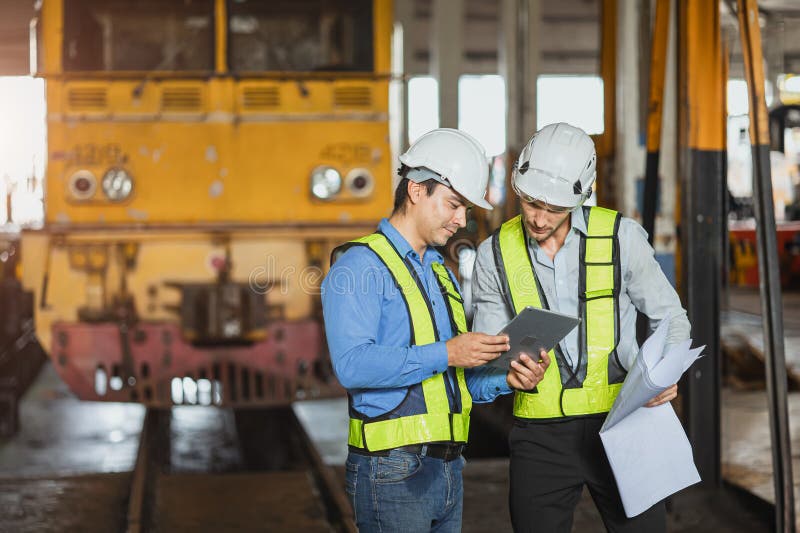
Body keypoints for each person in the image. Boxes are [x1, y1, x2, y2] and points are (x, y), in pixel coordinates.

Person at [321, 128, 549, 533]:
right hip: (391, 471)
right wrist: (447, 352)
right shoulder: (359, 266)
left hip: (448, 469)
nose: (461, 220)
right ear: (415, 190)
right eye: (454, 204)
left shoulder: (440, 272)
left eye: (465, 209)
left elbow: (455, 381)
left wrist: (507, 378)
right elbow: (352, 366)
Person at [471, 122, 691, 533]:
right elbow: (484, 366)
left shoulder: (621, 238)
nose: (539, 218)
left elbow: (671, 317)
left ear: (582, 195)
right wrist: (508, 375)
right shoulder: (493, 254)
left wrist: (665, 371)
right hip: (540, 439)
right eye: (530, 202)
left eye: (554, 208)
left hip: (625, 423)